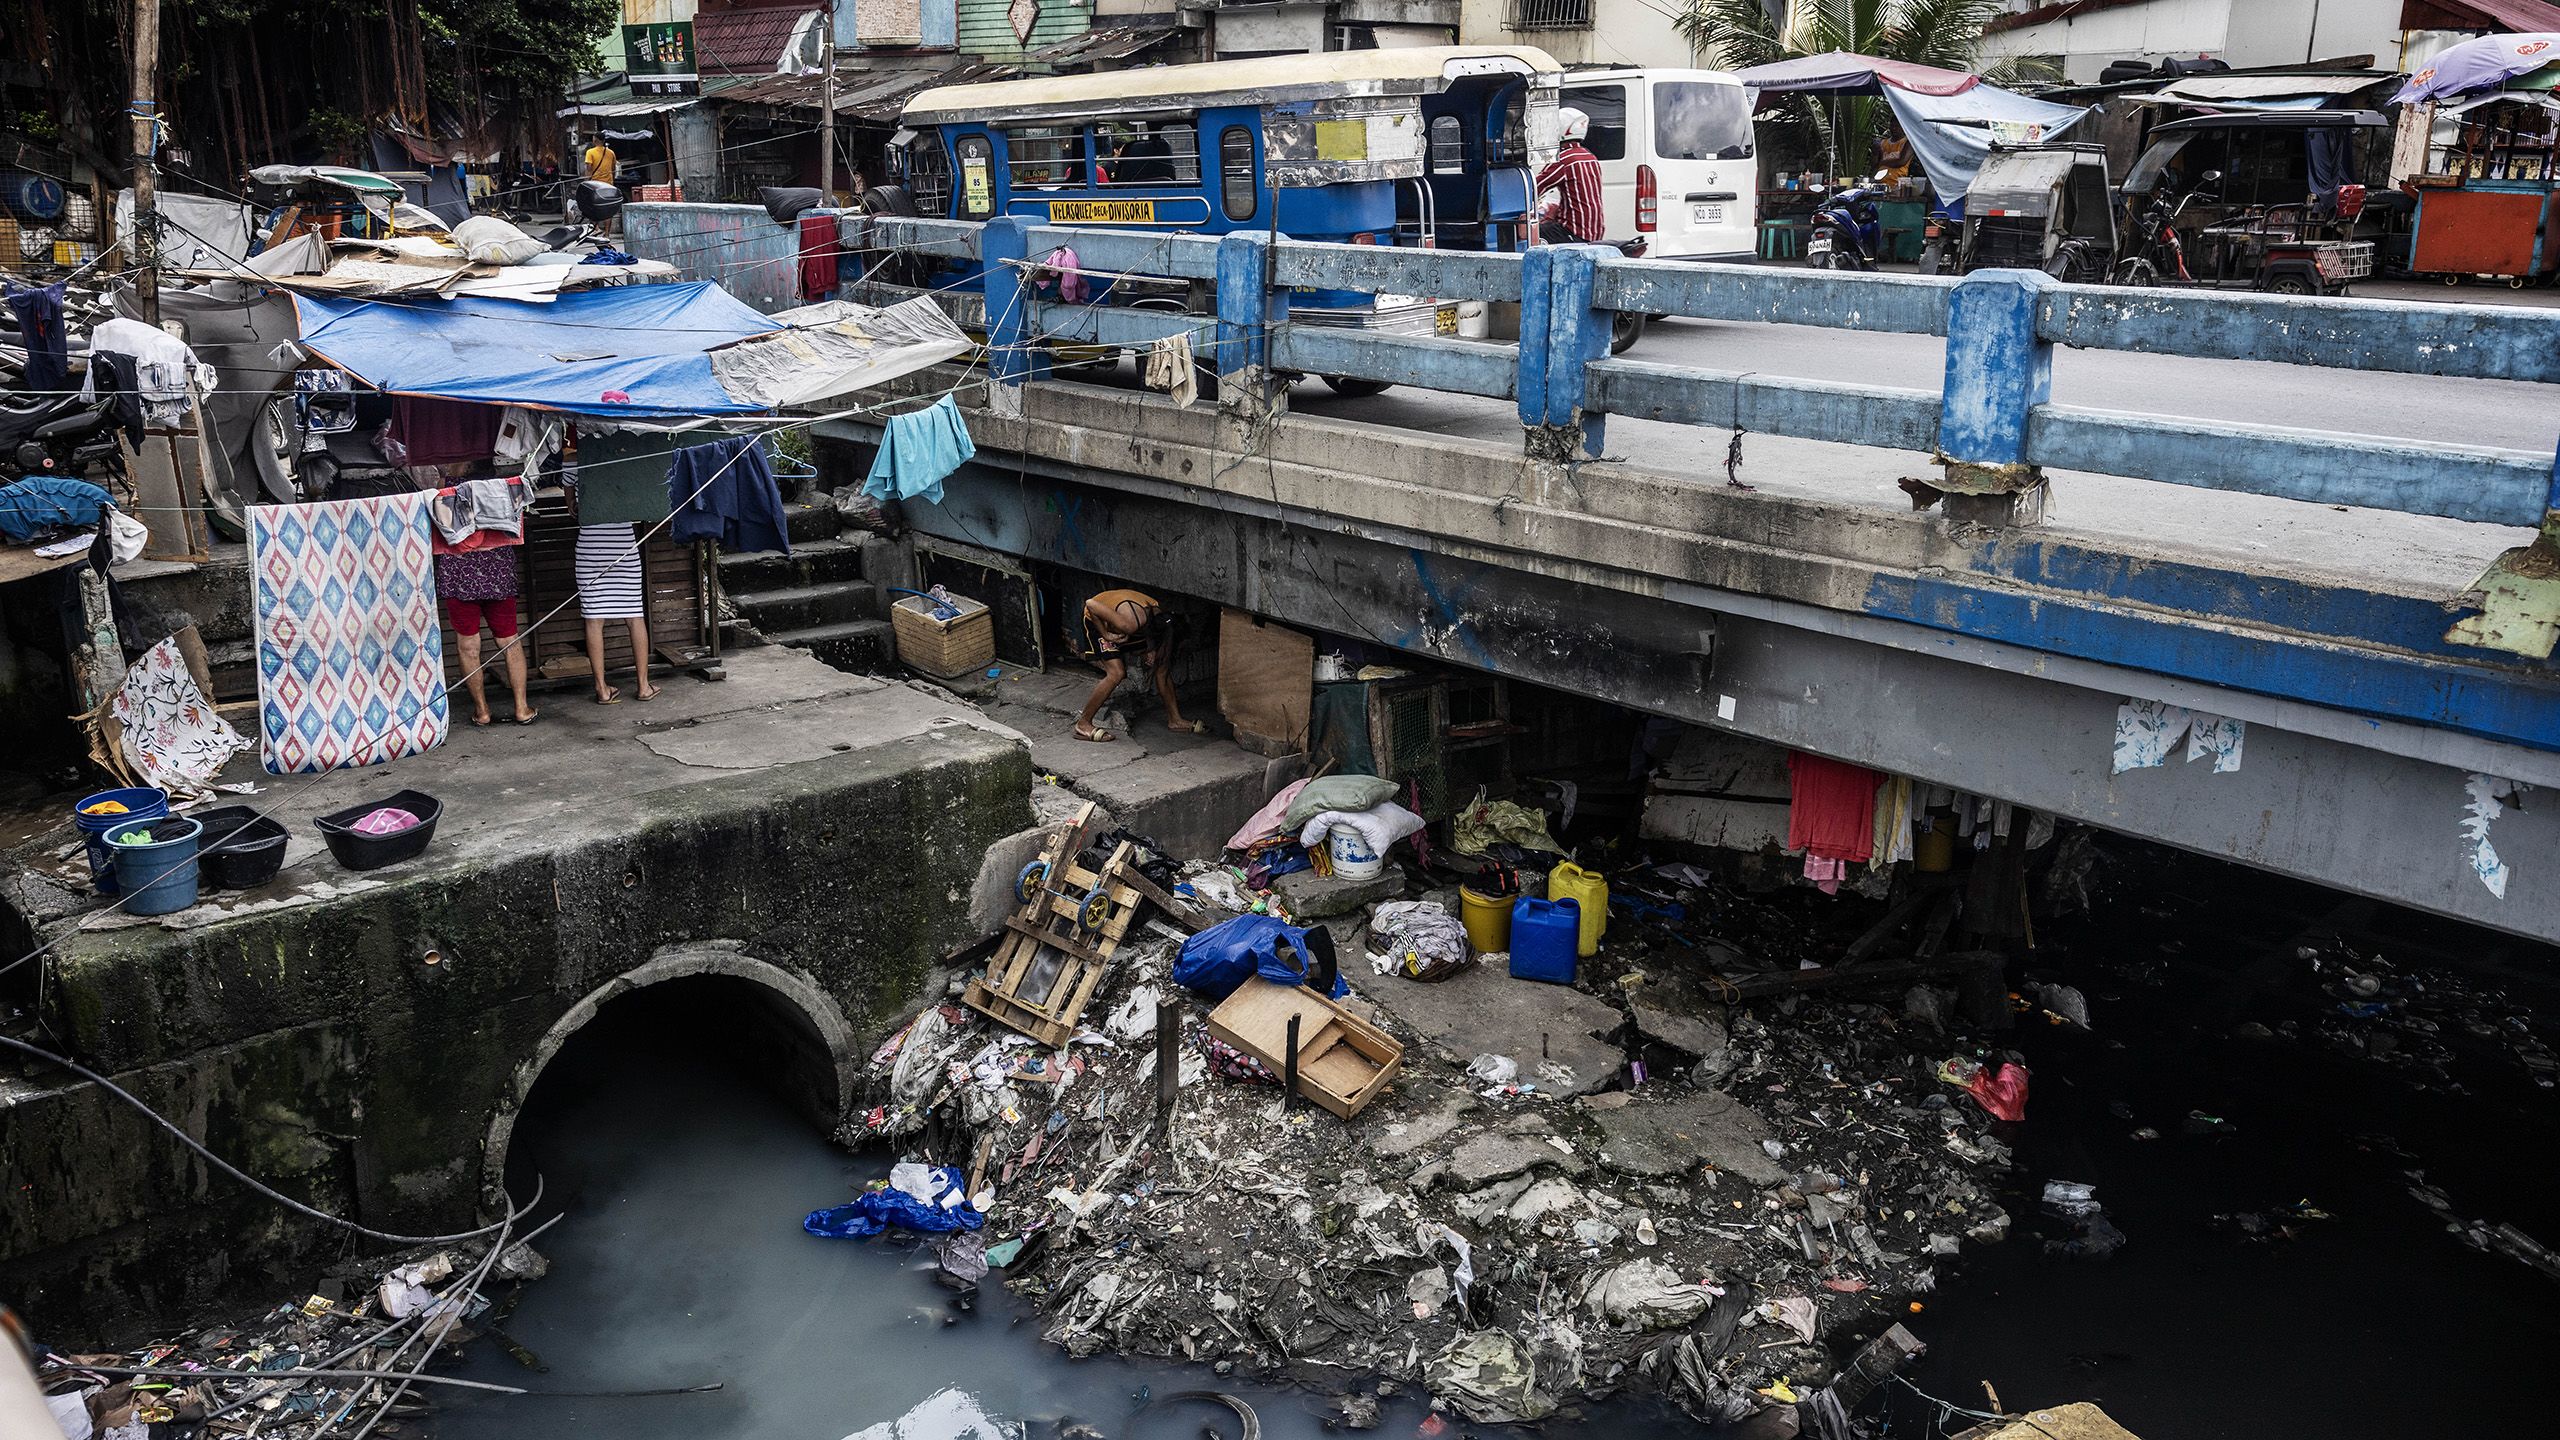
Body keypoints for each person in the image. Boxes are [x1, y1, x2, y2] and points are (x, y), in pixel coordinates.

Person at [1073, 588, 1202, 742]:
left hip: (1134, 625)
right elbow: (1090, 604)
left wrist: (1152, 649)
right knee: (1117, 673)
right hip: (1098, 621)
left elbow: (1161, 662)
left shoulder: (1163, 620)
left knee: (1163, 667)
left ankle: (1175, 720)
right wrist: (1106, 634)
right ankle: (1083, 723)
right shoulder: (1130, 624)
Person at [436, 548, 539, 726]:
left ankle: (482, 711)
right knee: (509, 640)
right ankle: (522, 709)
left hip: (457, 567)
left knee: (468, 644)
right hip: (497, 565)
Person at [574, 521, 659, 704]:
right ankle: (643, 686)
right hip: (623, 547)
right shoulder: (629, 489)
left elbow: (573, 509)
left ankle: (602, 689)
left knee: (593, 619)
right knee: (635, 617)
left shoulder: (581, 489)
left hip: (590, 549)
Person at [1536, 107, 1604, 244]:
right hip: (1595, 232)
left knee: (1529, 232)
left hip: (1573, 232)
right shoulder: (1590, 157)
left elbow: (1534, 186)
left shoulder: (1564, 160)